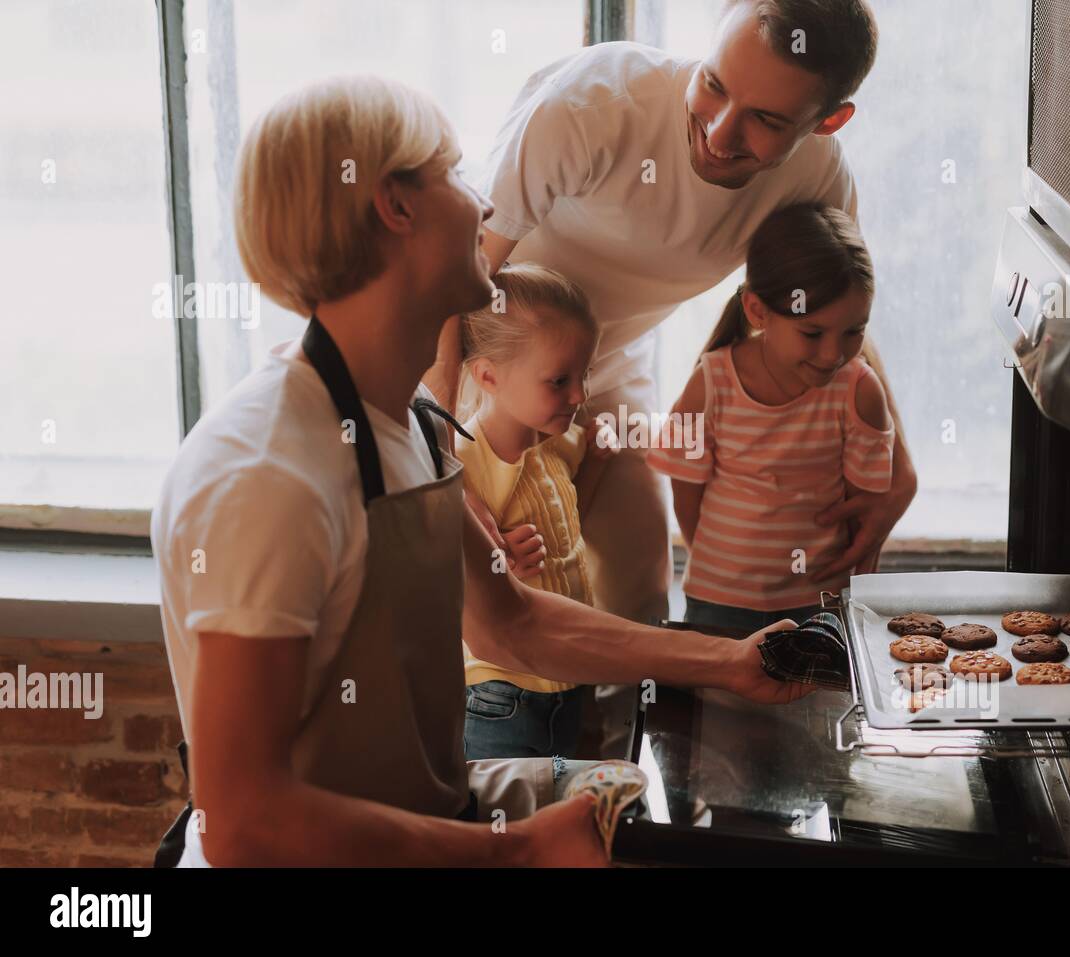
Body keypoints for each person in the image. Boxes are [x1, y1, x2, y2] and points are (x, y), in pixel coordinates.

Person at [149, 76, 811, 868]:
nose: (486, 205)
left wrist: (730, 661)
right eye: (456, 174)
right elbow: (245, 820)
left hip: (433, 802)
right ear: (395, 206)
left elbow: (513, 621)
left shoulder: (412, 422)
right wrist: (517, 852)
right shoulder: (265, 473)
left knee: (660, 814)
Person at [428, 0, 916, 630]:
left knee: (638, 593)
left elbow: (837, 320)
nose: (718, 135)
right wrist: (442, 456)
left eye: (765, 119)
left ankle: (609, 729)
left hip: (603, 364)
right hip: (481, 361)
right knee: (490, 595)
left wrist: (896, 463)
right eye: (713, 84)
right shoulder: (592, 107)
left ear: (828, 122)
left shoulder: (818, 180)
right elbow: (452, 279)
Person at [648, 203, 893, 633]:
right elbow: (687, 501)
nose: (833, 354)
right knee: (720, 702)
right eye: (812, 333)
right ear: (757, 311)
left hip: (818, 603)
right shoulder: (710, 385)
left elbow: (862, 512)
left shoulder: (859, 392)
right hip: (717, 602)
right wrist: (726, 569)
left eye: (853, 331)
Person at [454, 263, 616, 759]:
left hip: (568, 675)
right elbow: (441, 587)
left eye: (584, 374)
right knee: (502, 817)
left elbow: (569, 530)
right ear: (488, 376)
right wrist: (503, 569)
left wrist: (597, 462)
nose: (580, 395)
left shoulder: (559, 443)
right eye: (559, 380)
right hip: (503, 692)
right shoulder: (466, 463)